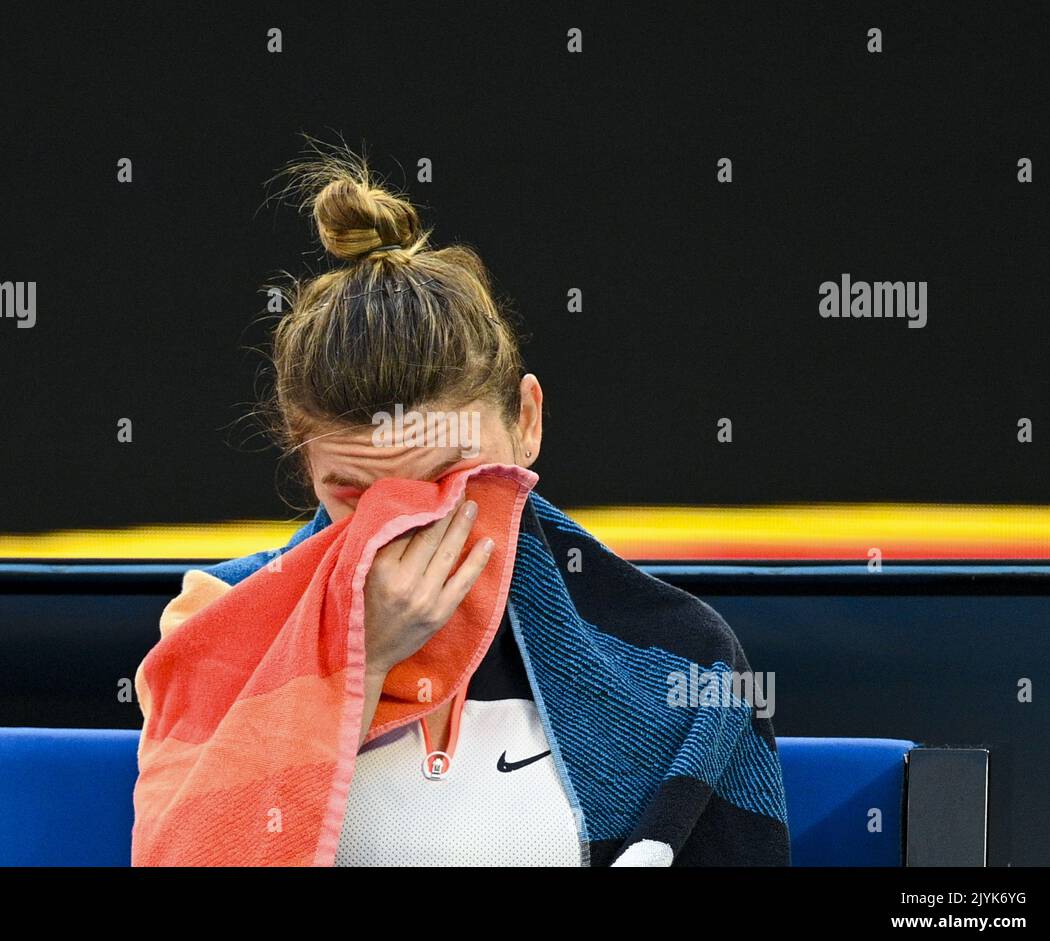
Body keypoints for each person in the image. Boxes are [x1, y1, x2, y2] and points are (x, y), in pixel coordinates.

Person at [153, 140, 790, 866]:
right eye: (353, 495)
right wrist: (357, 661)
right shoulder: (216, 619)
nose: (405, 524)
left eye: (451, 474)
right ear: (305, 466)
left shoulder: (681, 657)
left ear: (528, 421)